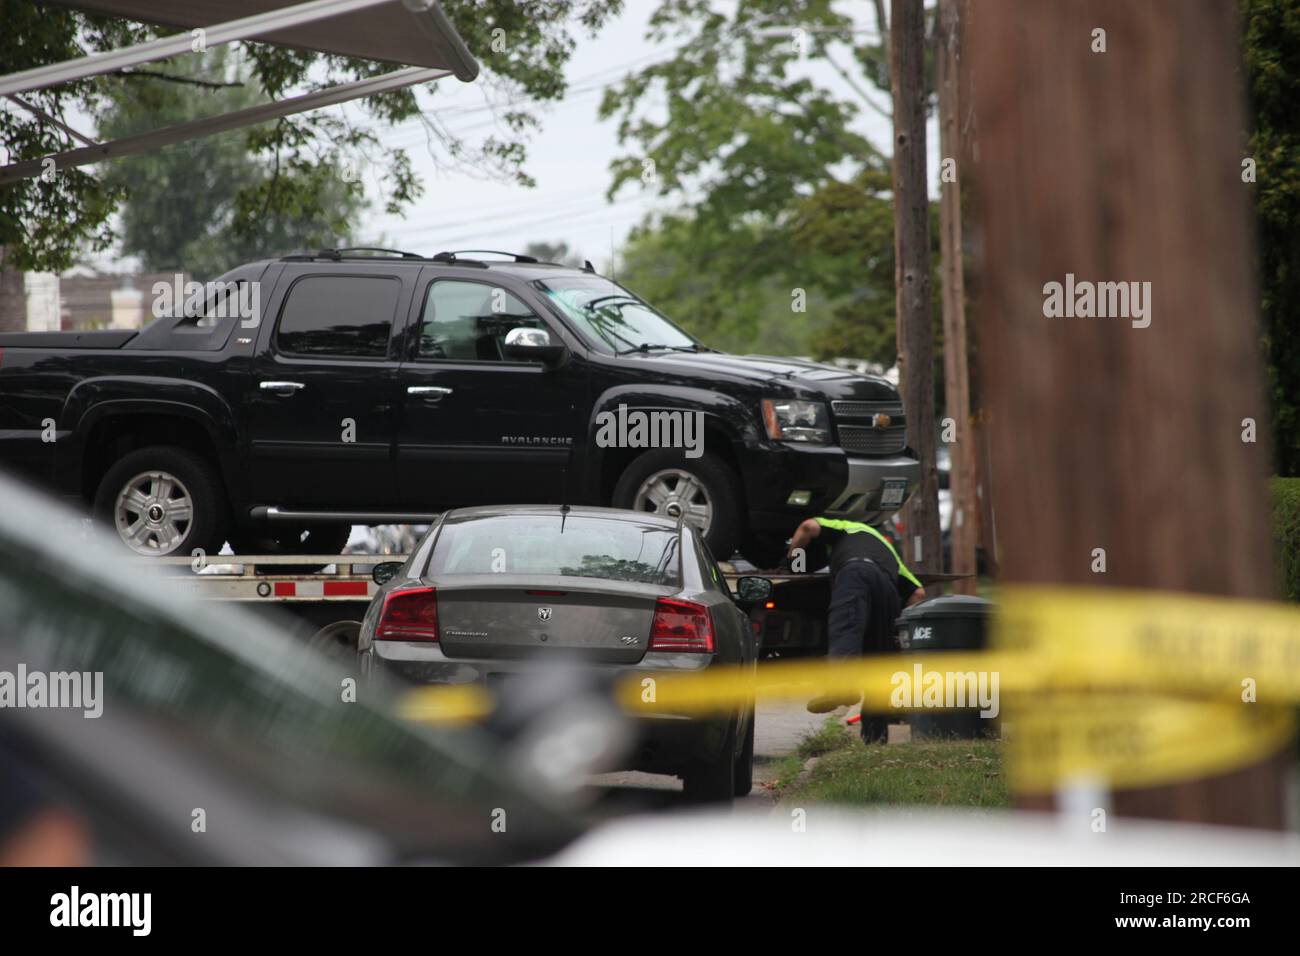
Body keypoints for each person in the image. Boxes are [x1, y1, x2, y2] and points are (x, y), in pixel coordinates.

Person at [785, 516, 927, 742]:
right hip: (887, 589)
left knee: (846, 629)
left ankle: (842, 687)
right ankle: (875, 736)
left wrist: (794, 564)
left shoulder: (848, 527)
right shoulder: (889, 550)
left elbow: (807, 527)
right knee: (880, 660)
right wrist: (896, 627)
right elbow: (918, 593)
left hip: (855, 574)